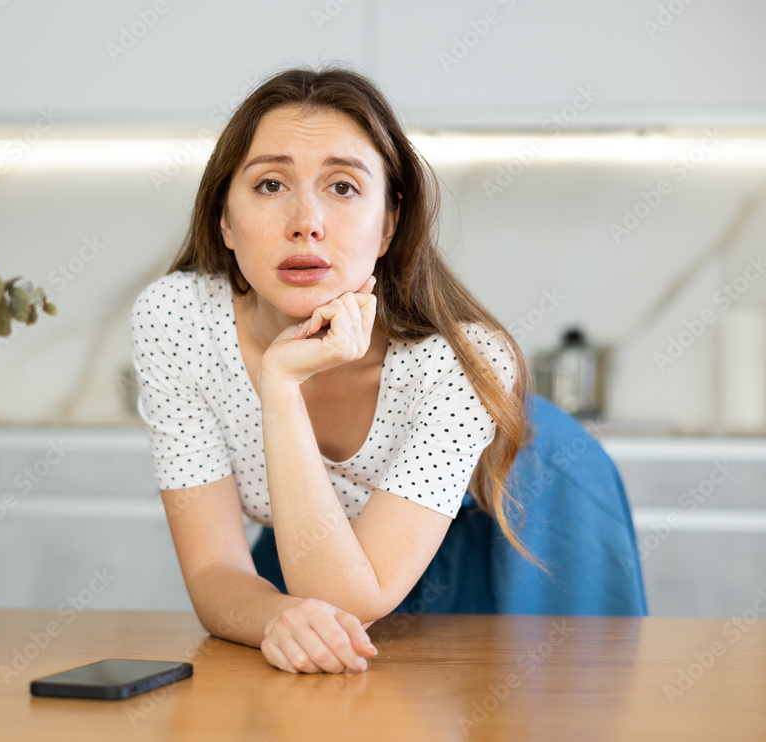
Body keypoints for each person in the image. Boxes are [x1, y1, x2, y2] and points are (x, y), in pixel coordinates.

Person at [130, 65, 533, 675]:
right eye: (270, 184)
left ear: (389, 224)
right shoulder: (176, 319)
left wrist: (281, 385)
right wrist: (272, 615)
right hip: (320, 550)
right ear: (225, 220)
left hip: (506, 519)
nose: (305, 221)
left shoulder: (464, 365)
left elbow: (350, 598)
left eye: (343, 187)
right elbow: (216, 571)